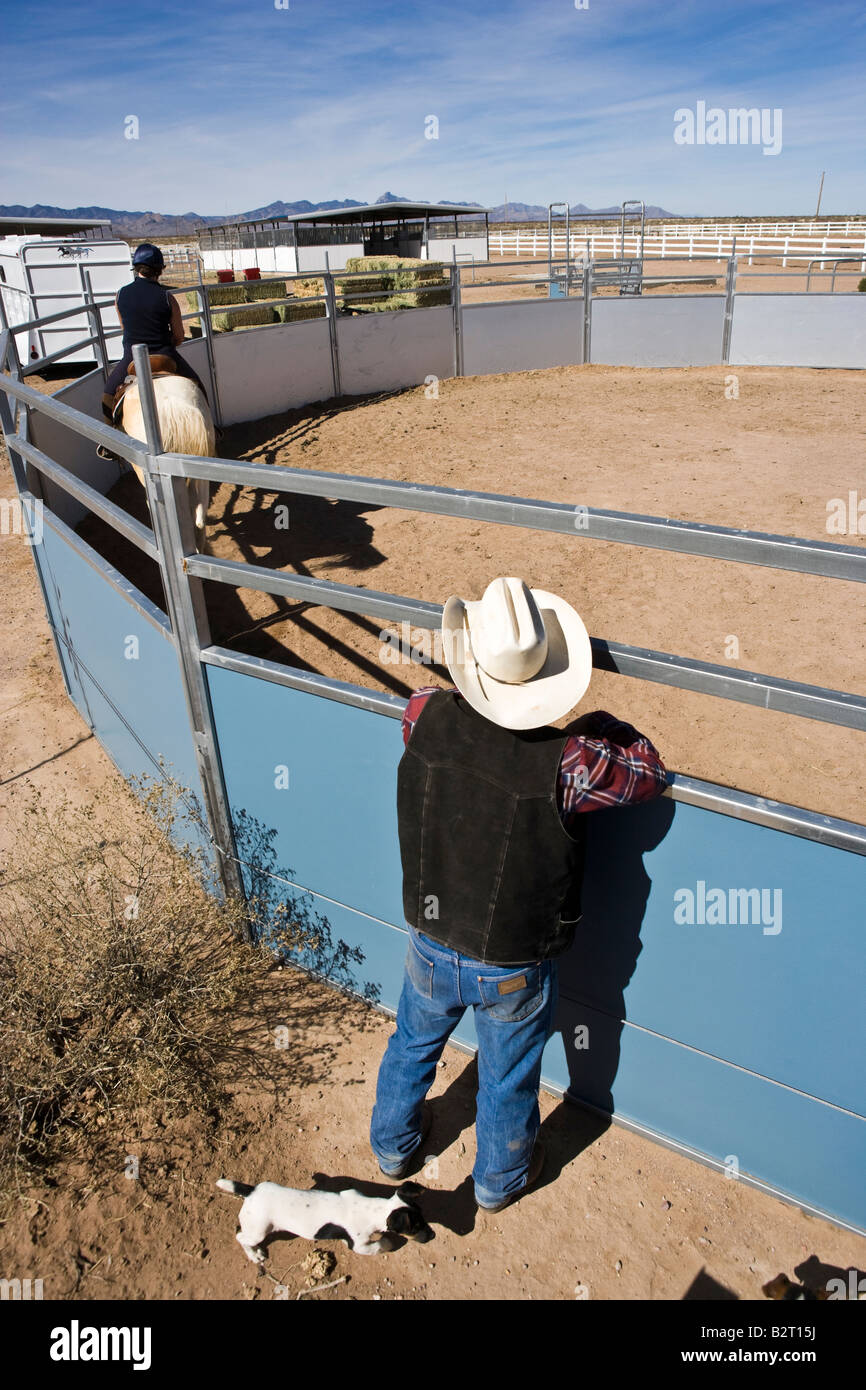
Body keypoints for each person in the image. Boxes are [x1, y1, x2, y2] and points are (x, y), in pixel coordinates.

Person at [370, 576, 668, 1212]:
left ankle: (393, 1147)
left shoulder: (422, 714)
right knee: (507, 1076)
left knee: (411, 1042)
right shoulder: (571, 764)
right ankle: (498, 1182)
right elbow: (648, 771)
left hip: (430, 936)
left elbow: (438, 723)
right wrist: (598, 725)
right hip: (513, 959)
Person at [99, 243, 208, 448]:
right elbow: (178, 335)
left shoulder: (120, 295)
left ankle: (110, 444)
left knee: (107, 394)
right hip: (165, 355)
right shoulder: (167, 297)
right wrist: (173, 342)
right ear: (159, 270)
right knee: (198, 386)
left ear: (137, 268)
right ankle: (213, 429)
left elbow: (125, 328)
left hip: (132, 358)